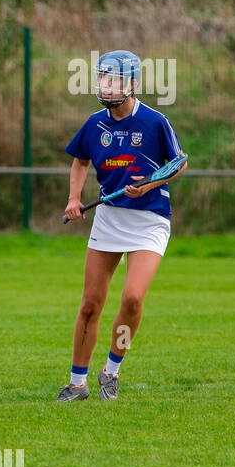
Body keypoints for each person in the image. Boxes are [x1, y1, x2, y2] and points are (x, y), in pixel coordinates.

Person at [59, 50, 186, 401]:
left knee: (132, 298)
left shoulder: (154, 121)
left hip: (149, 220)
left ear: (132, 84)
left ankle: (111, 371)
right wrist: (74, 199)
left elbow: (178, 163)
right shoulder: (94, 123)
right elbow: (80, 161)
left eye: (114, 80)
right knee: (90, 304)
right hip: (110, 217)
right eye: (103, 78)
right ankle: (76, 382)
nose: (107, 86)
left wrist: (148, 184)